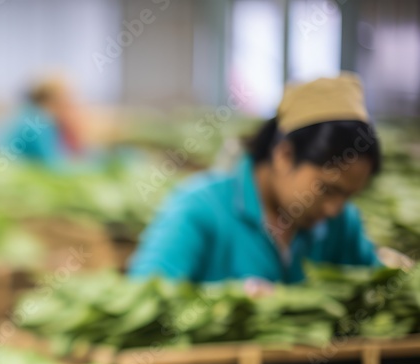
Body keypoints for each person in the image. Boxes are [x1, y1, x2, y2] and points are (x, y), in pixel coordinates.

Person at [128, 73, 383, 284]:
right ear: (285, 155)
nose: (333, 208)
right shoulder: (199, 209)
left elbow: (376, 286)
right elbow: (143, 296)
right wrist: (225, 303)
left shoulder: (341, 224)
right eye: (327, 189)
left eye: (348, 195)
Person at [2, 75, 88, 169]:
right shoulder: (39, 122)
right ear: (53, 100)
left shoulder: (28, 114)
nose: (70, 105)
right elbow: (54, 166)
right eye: (67, 98)